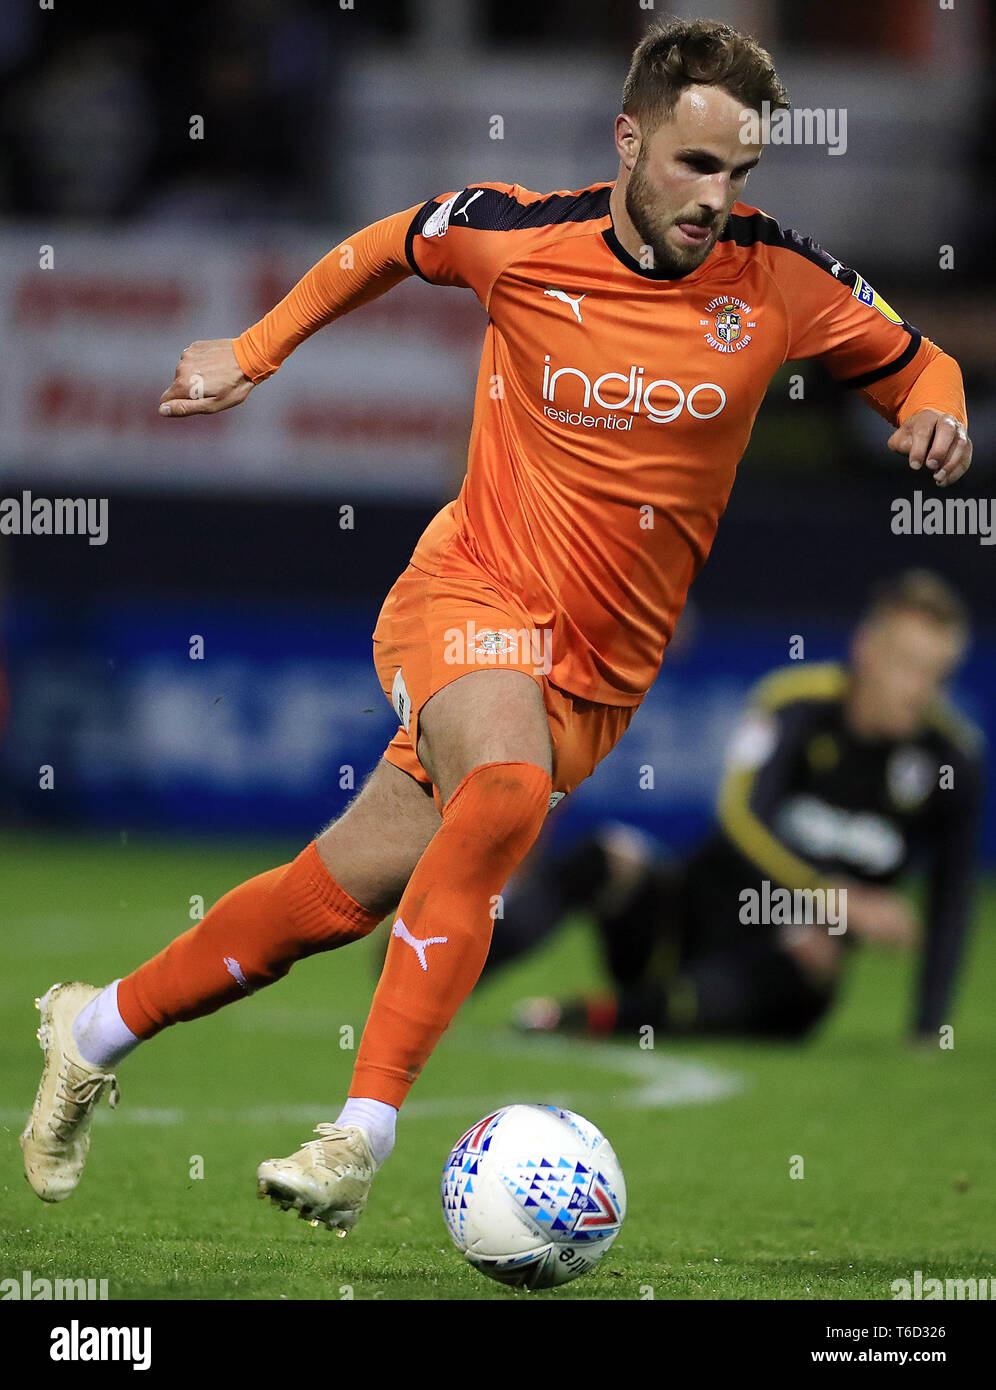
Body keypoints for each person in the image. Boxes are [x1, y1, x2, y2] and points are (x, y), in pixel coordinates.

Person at [22, 20, 972, 1235]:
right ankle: (361, 1132)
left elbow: (918, 362)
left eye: (740, 175)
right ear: (630, 140)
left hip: (597, 677)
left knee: (338, 895)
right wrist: (251, 356)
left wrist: (935, 415)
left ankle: (94, 1025)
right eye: (693, 166)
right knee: (509, 787)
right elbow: (384, 245)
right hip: (468, 589)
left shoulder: (776, 281)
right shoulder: (522, 235)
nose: (716, 200)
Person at [500, 572, 985, 1045]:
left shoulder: (952, 759)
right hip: (681, 926)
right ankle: (449, 977)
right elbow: (742, 817)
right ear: (866, 650)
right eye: (906, 665)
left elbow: (952, 899)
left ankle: (592, 1017)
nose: (917, 689)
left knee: (810, 954)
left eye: (935, 674)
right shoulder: (796, 705)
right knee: (609, 855)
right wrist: (833, 894)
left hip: (779, 970)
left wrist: (928, 1027)